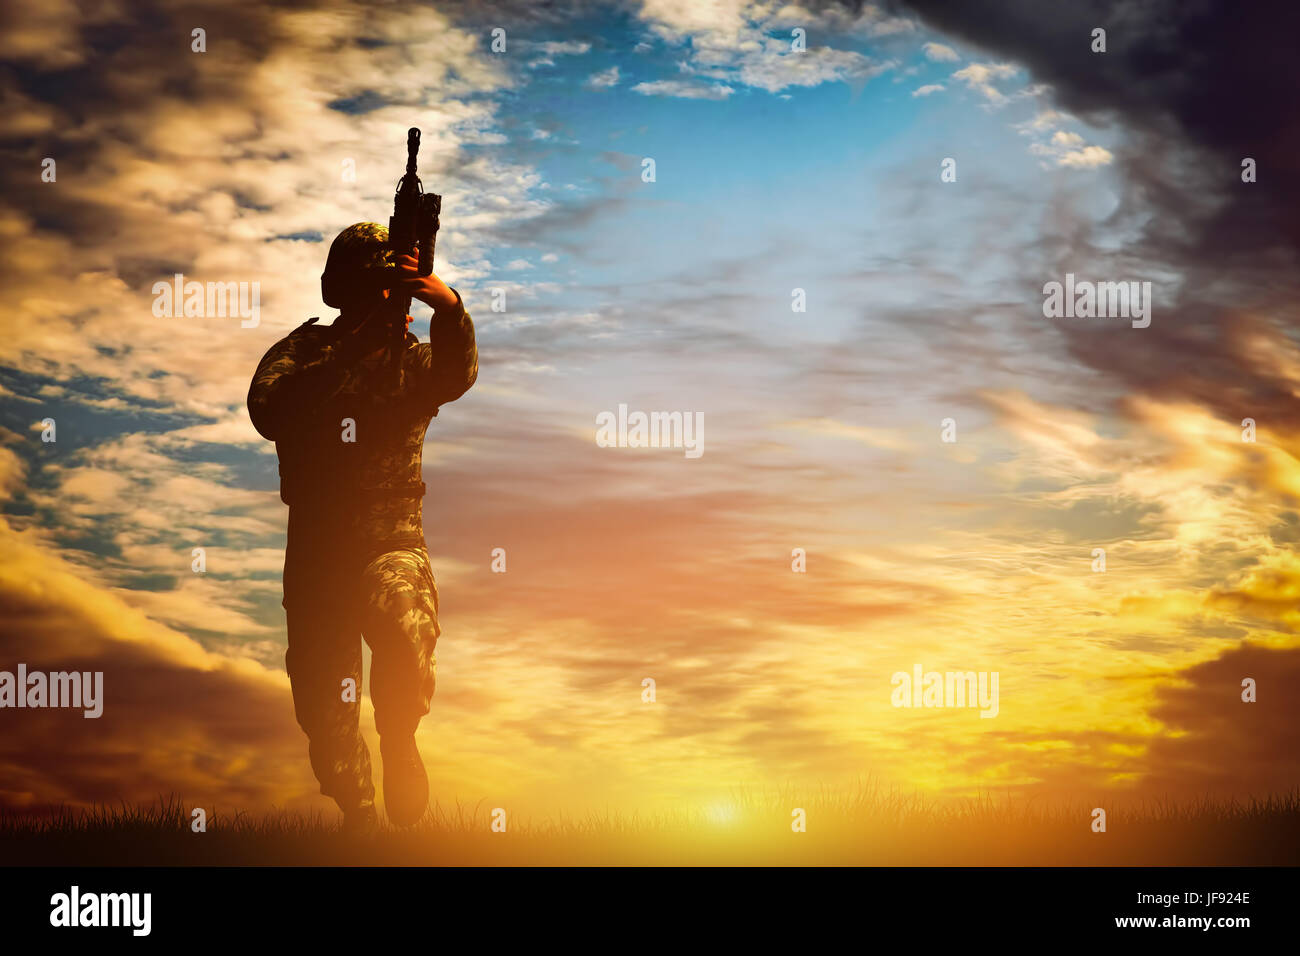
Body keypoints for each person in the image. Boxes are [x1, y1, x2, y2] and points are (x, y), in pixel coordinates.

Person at [247, 222, 477, 831]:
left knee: (405, 627)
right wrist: (352, 349)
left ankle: (400, 736)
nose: (389, 302)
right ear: (342, 292)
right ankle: (360, 817)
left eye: (393, 290)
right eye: (378, 288)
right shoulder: (302, 353)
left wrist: (445, 303)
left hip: (391, 536)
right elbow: (269, 410)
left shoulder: (411, 362)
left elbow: (457, 373)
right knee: (326, 705)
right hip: (319, 549)